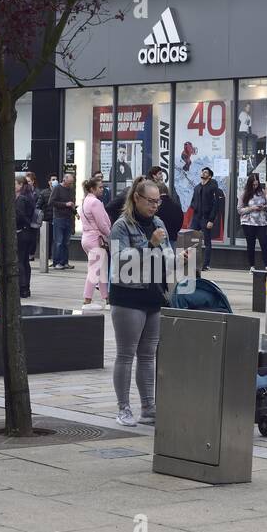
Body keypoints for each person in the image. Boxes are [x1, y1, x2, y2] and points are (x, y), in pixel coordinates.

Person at [109, 178, 172, 426]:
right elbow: (121, 261)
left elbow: (165, 255)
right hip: (128, 296)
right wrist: (149, 244)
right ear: (136, 198)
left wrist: (180, 258)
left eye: (158, 201)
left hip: (153, 294)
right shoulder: (121, 226)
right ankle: (123, 408)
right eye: (151, 201)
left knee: (148, 355)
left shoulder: (158, 223)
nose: (155, 206)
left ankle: (149, 408)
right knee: (126, 354)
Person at [80, 177, 111, 309]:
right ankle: (87, 300)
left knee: (101, 269)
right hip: (96, 239)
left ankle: (107, 298)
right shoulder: (95, 202)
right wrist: (110, 234)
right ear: (92, 189)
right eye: (100, 187)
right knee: (95, 270)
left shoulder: (85, 201)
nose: (102, 189)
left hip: (87, 237)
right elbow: (102, 223)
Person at [190, 167, 223, 271]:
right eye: (202, 171)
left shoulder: (213, 187)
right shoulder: (197, 187)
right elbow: (193, 201)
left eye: (206, 172)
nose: (203, 173)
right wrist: (194, 206)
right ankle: (192, 262)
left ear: (209, 176)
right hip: (196, 217)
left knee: (207, 241)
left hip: (206, 218)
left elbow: (216, 204)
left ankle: (206, 264)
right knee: (192, 239)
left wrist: (211, 220)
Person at [238, 173, 267, 270]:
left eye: (256, 184)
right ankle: (252, 266)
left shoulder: (263, 192)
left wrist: (264, 207)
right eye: (253, 185)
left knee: (264, 243)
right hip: (248, 222)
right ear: (249, 184)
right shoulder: (244, 194)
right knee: (251, 244)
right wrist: (252, 208)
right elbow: (239, 210)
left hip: (261, 222)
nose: (255, 187)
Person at [15, 176, 38, 298]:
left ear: (20, 185)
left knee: (20, 261)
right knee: (24, 261)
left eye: (15, 184)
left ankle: (22, 288)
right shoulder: (30, 196)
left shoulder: (21, 199)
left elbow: (20, 216)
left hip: (21, 232)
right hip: (29, 233)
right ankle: (26, 288)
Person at [50, 172, 77, 270]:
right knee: (59, 241)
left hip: (68, 217)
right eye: (69, 183)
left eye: (71, 183)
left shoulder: (70, 189)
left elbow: (72, 203)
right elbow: (51, 202)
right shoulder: (57, 188)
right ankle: (56, 262)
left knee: (66, 242)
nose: (70, 185)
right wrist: (65, 204)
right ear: (64, 180)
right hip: (59, 218)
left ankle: (65, 262)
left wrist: (75, 212)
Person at [155, 181, 184, 246]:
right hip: (172, 238)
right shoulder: (176, 206)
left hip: (157, 240)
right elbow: (180, 222)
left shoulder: (155, 206)